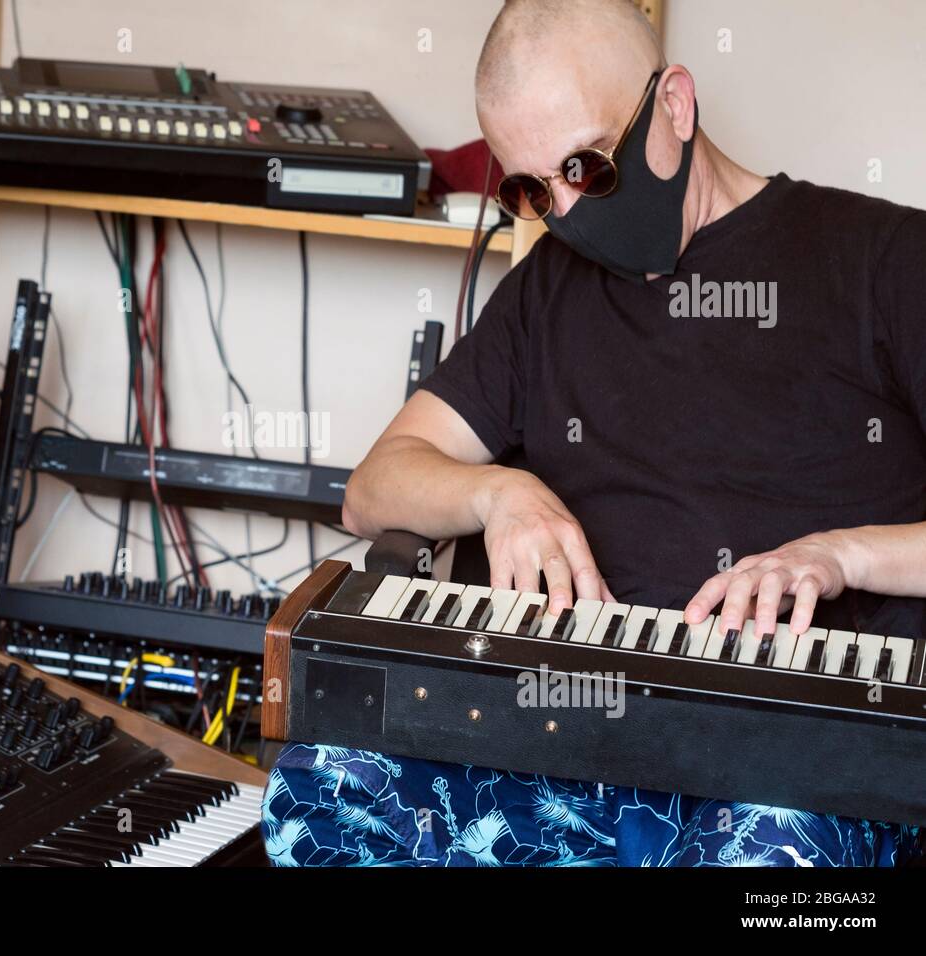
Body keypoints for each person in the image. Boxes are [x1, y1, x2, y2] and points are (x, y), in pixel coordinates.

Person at [261, 0, 925, 866]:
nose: (566, 210)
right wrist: (499, 493)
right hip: (560, 732)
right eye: (533, 189)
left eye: (585, 165)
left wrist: (844, 555)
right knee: (316, 794)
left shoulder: (883, 260)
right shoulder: (547, 291)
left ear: (674, 106)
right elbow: (373, 488)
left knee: (768, 859)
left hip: (799, 765)